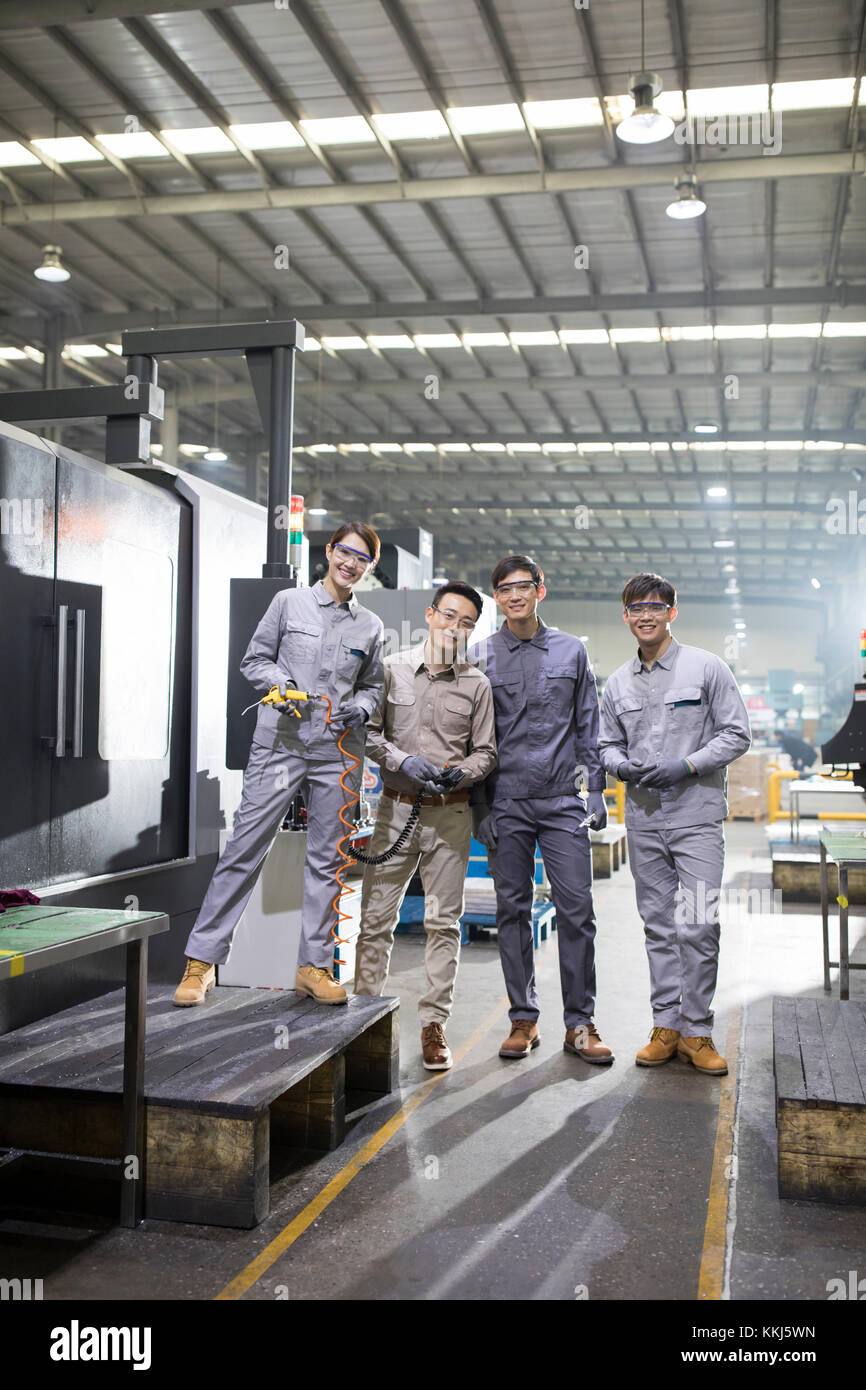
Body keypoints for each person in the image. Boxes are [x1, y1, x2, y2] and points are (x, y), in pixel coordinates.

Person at [174, 522, 385, 1008]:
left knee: (327, 860)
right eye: (345, 553)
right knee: (245, 848)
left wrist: (365, 707)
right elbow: (254, 660)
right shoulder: (289, 603)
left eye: (362, 560)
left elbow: (373, 686)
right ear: (330, 552)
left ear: (369, 569)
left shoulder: (369, 626)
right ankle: (201, 964)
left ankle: (313, 968)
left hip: (337, 751)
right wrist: (279, 684)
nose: (350, 564)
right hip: (281, 745)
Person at [598, 572, 751, 1075]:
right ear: (625, 617)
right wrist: (619, 766)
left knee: (699, 922)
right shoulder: (617, 683)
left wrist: (685, 765)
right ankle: (665, 1026)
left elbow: (735, 734)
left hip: (697, 818)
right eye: (636, 609)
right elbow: (604, 745)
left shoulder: (707, 668)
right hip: (644, 821)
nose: (645, 616)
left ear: (671, 612)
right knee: (659, 925)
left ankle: (697, 1031)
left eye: (655, 607)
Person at [469, 555, 613, 1065]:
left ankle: (580, 1023)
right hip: (505, 802)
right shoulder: (480, 656)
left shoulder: (572, 652)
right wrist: (479, 807)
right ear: (497, 598)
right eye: (504, 589)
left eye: (522, 586)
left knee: (577, 910)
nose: (514, 596)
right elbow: (473, 737)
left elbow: (587, 725)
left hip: (559, 802)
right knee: (513, 911)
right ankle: (523, 1020)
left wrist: (595, 789)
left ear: (539, 591)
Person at [353, 581, 496, 1070]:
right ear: (431, 615)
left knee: (442, 923)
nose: (456, 628)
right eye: (450, 616)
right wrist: (402, 760)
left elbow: (486, 751)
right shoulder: (391, 672)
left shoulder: (476, 683)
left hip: (451, 819)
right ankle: (366, 1019)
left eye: (467, 623)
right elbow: (368, 734)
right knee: (375, 921)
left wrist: (468, 772)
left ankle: (434, 1026)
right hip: (395, 813)